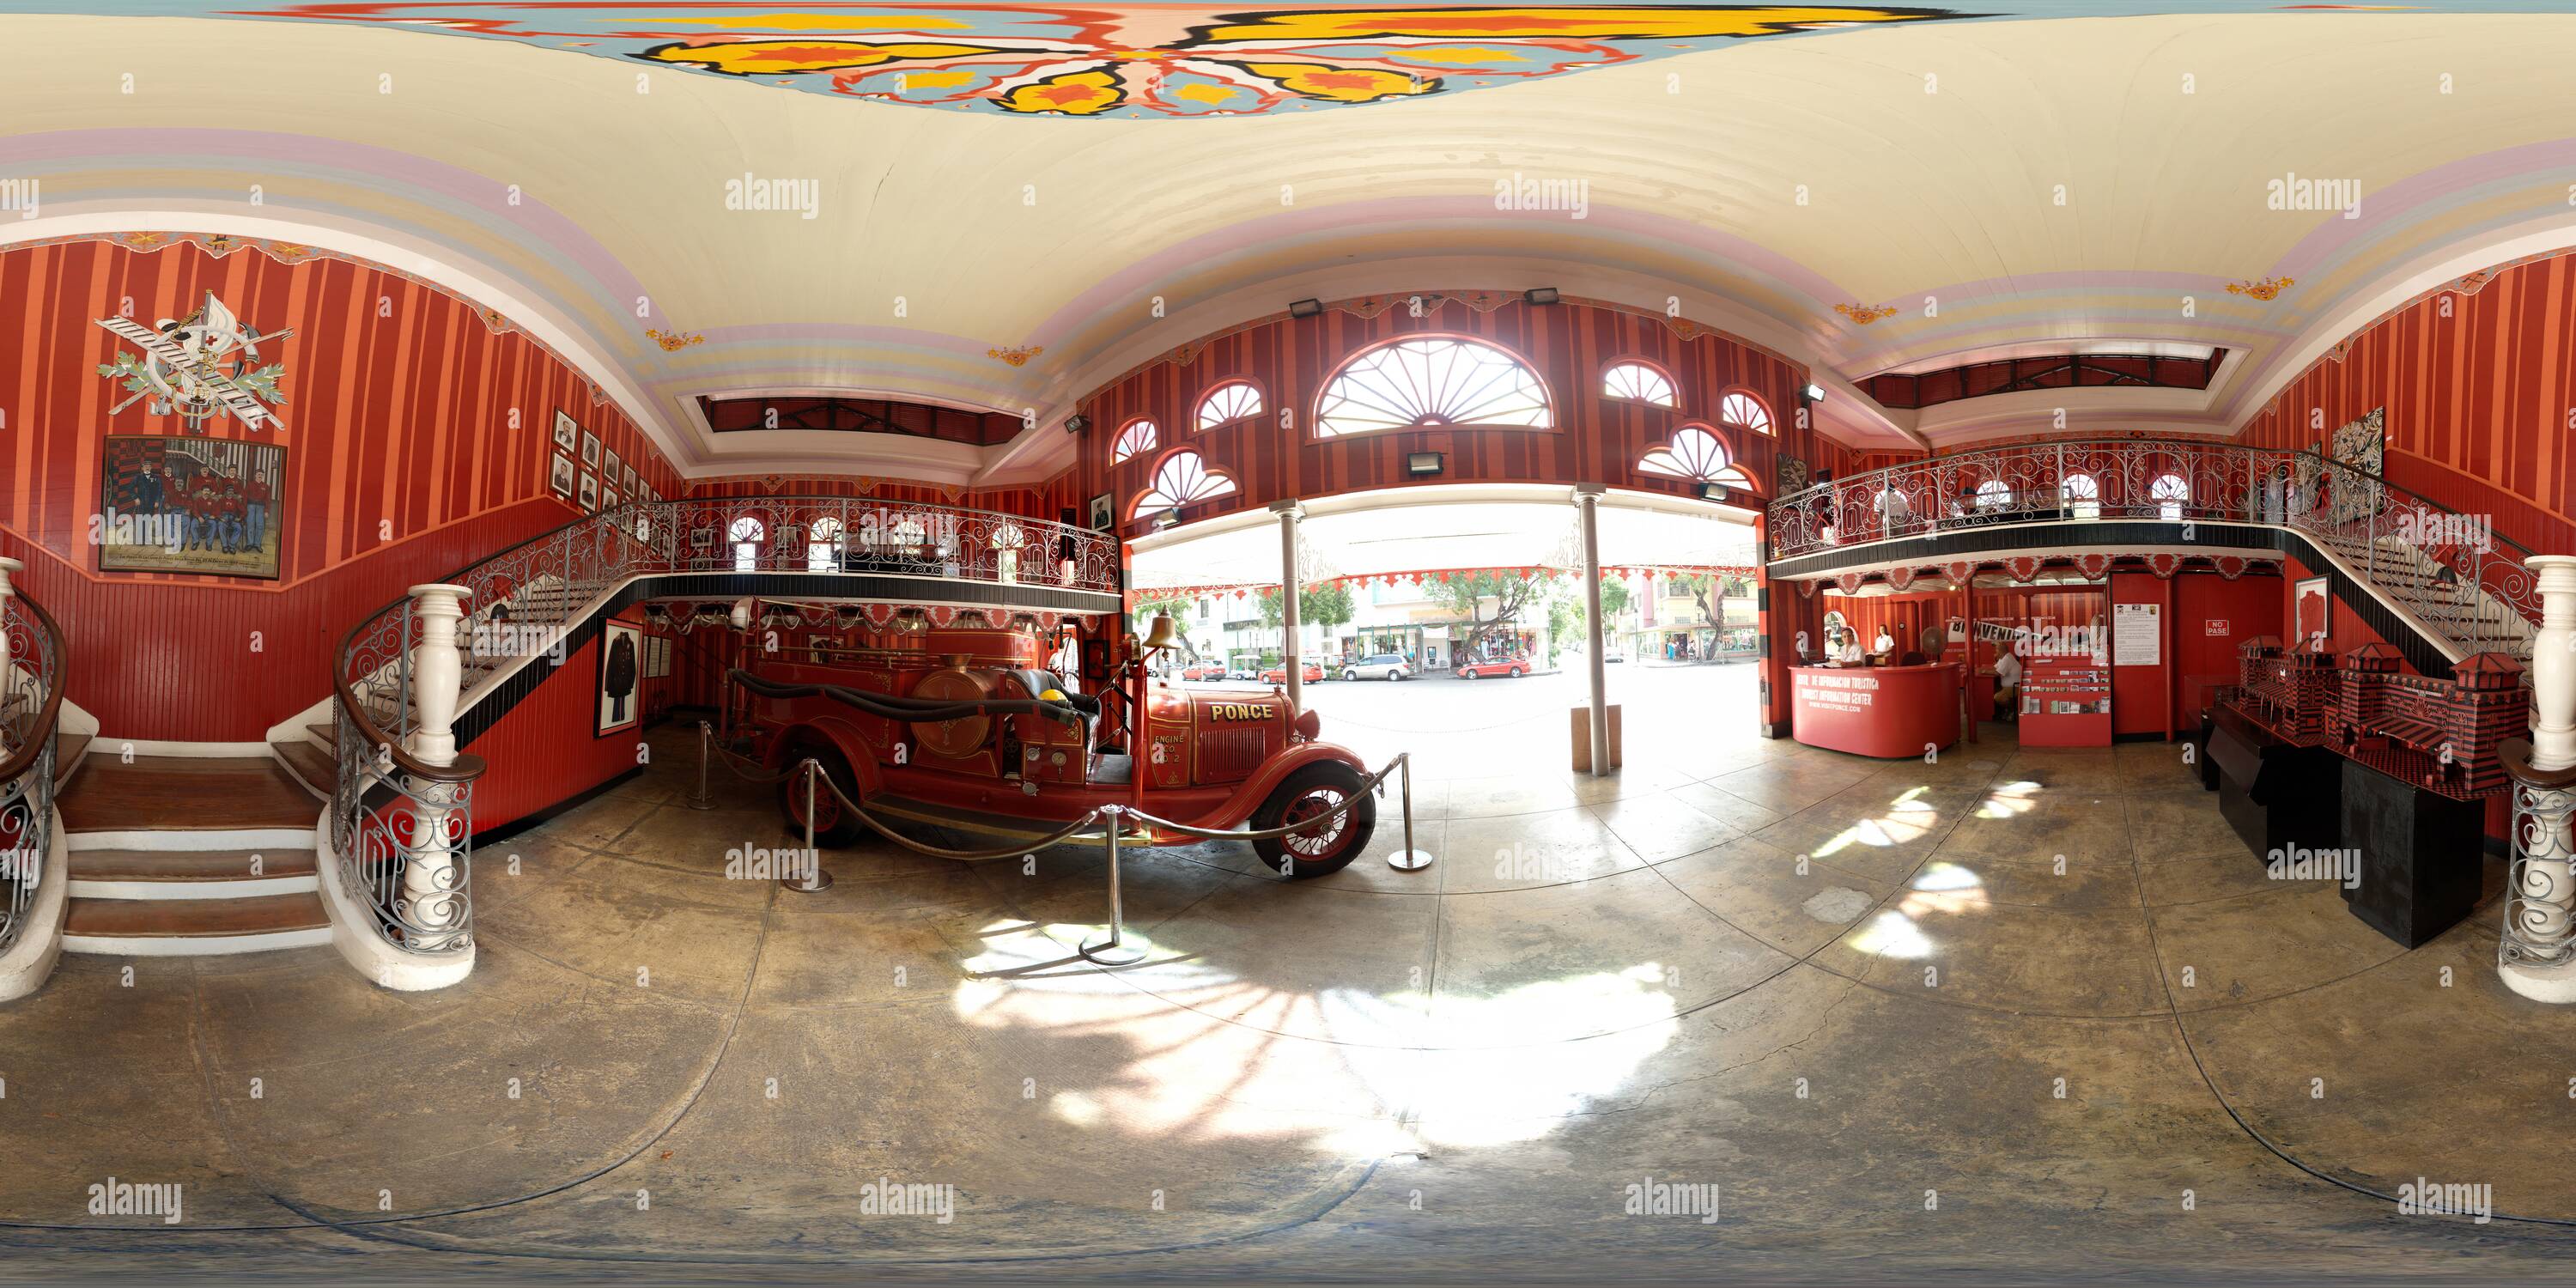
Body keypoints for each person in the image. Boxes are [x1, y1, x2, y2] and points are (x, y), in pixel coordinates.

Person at [1993, 647, 2023, 721]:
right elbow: (1996, 668)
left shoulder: (2007, 659)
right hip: (2011, 685)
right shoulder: (2005, 658)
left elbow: (1997, 673)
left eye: (1997, 650)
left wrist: (1984, 671)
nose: (1996, 652)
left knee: (1998, 697)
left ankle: (2012, 710)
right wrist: (1995, 659)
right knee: (1996, 688)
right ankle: (2008, 710)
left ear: (2001, 651)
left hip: (2015, 686)